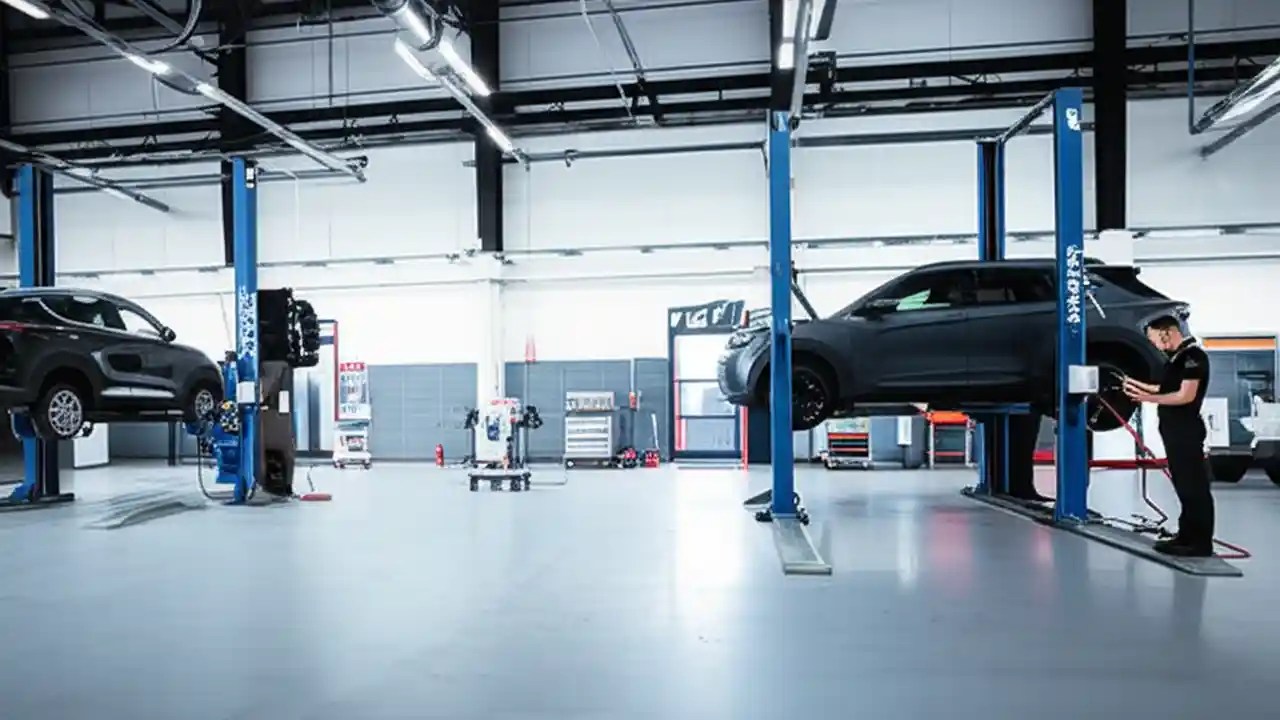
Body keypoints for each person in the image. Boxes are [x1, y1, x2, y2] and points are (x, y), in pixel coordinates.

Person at [1123, 315, 1215, 557]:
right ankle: (1186, 536)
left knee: (1194, 487)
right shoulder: (1177, 359)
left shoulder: (1193, 357)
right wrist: (1135, 385)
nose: (1153, 344)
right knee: (1183, 486)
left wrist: (1146, 398)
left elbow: (1185, 396)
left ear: (1165, 333)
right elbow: (1166, 389)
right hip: (1174, 431)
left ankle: (1200, 543)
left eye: (1153, 338)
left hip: (1186, 431)